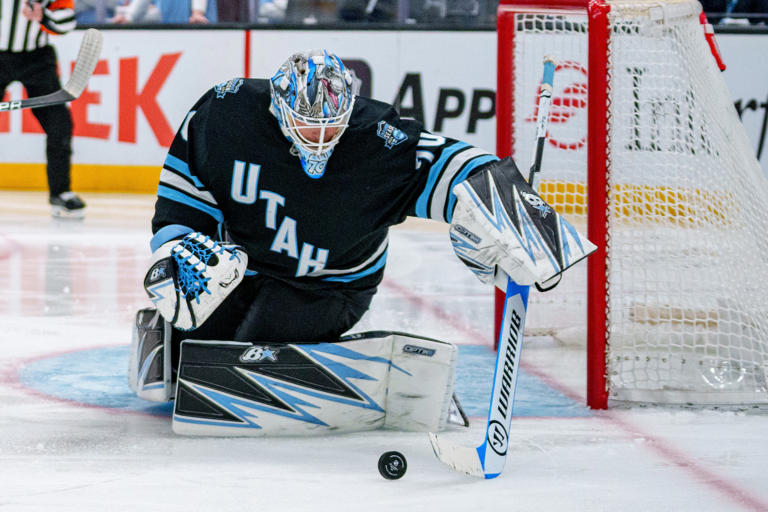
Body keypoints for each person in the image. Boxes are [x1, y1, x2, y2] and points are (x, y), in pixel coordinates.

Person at [132, 49, 594, 435]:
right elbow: (184, 190)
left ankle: (338, 363)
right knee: (191, 358)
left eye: (331, 127)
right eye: (307, 126)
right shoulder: (226, 111)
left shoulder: (379, 139)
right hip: (244, 269)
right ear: (277, 106)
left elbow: (456, 163)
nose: (320, 139)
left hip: (330, 287)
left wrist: (513, 212)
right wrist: (177, 248)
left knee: (245, 362)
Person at [0, 0, 86, 218]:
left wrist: (44, 16)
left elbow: (67, 20)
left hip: (36, 57)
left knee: (59, 122)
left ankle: (61, 192)